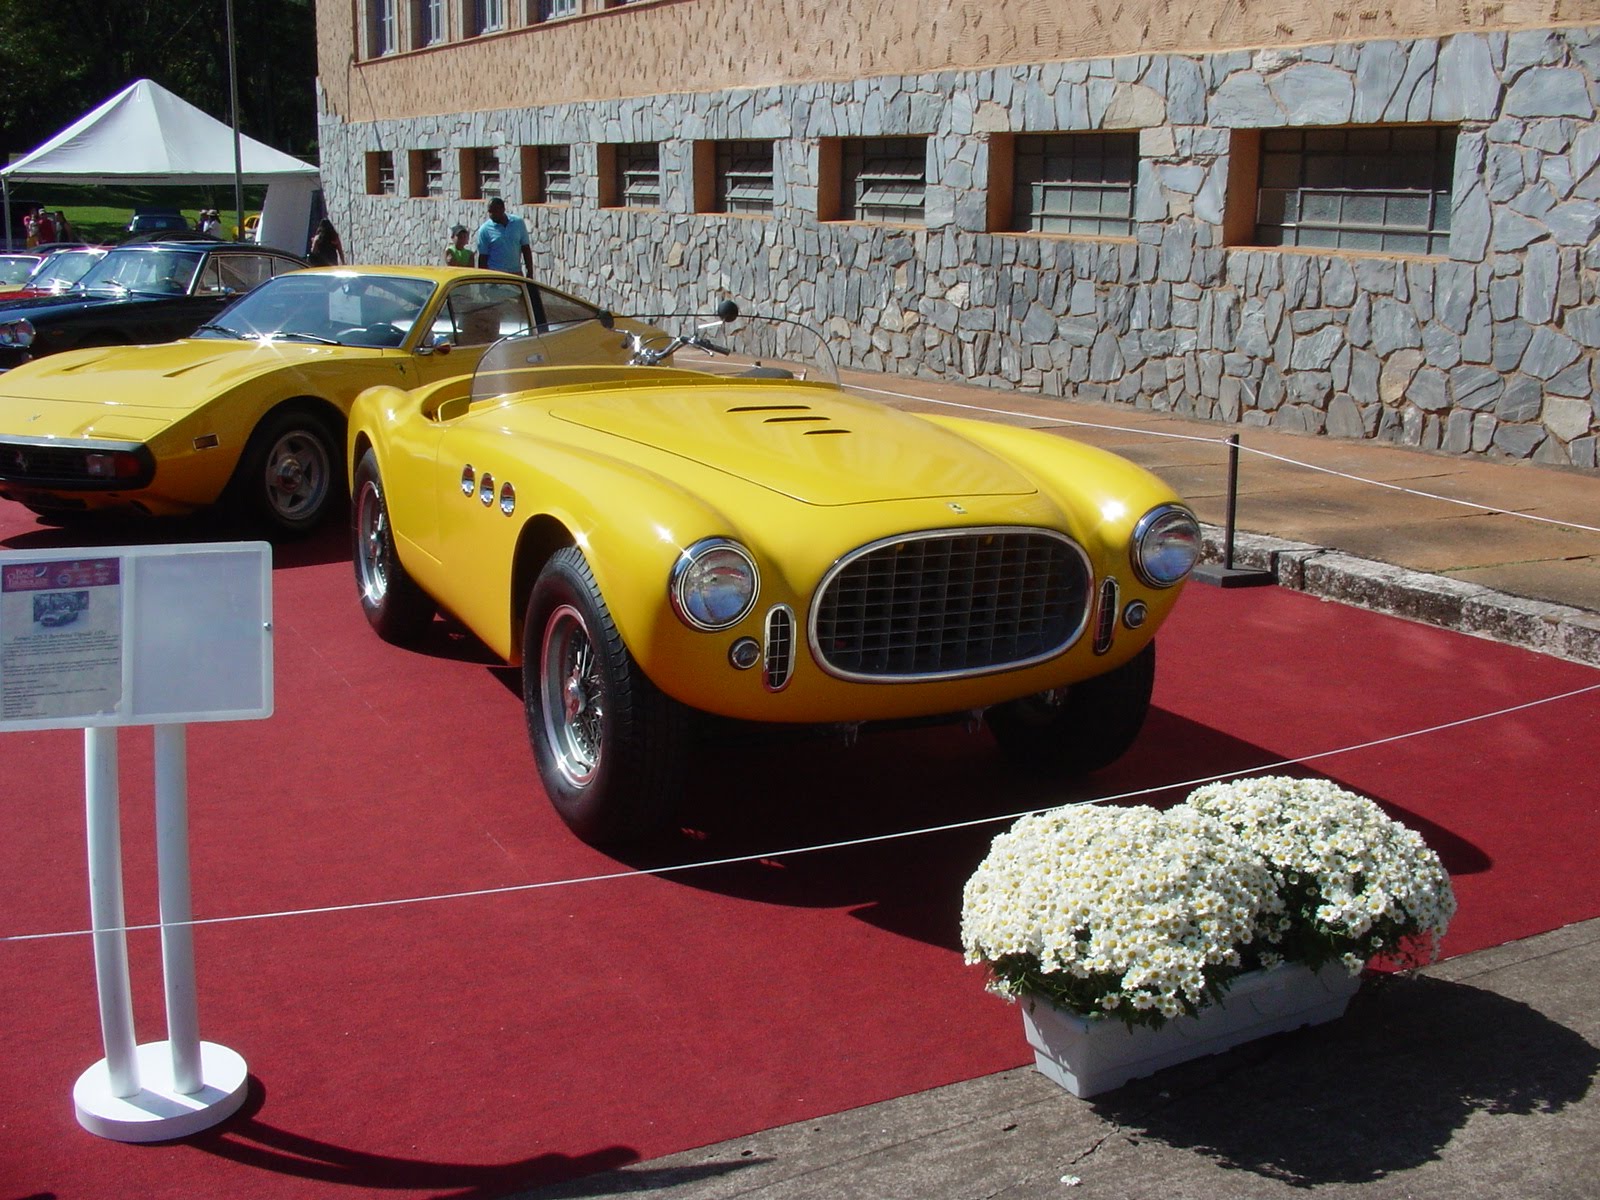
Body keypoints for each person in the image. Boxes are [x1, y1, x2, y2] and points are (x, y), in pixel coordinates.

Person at [475, 197, 532, 277]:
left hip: (515, 273)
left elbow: (525, 248)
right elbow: (483, 257)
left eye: (495, 211)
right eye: (490, 211)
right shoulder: (485, 230)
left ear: (503, 209)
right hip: (496, 275)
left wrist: (529, 272)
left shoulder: (518, 223)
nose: (491, 215)